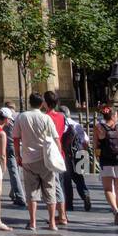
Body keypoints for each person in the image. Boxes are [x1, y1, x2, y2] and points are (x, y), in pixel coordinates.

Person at [13, 92, 63, 232]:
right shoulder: (46, 118)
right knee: (50, 190)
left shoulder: (21, 117)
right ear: (42, 104)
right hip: (46, 159)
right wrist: (57, 157)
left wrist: (18, 155)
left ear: (29, 102)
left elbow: (16, 138)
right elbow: (56, 139)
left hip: (28, 159)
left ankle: (33, 222)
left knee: (31, 192)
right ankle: (52, 223)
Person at [95, 103, 118, 227]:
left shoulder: (98, 128)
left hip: (106, 161)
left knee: (108, 189)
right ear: (114, 115)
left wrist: (98, 157)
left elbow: (96, 146)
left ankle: (115, 210)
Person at [43, 91, 70, 227]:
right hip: (59, 154)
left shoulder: (45, 117)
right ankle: (61, 214)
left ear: (45, 103)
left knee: (56, 187)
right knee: (59, 185)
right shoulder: (61, 116)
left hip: (50, 154)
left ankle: (62, 216)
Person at [59, 104, 91, 211]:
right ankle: (85, 194)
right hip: (80, 153)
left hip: (66, 154)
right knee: (79, 177)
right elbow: (85, 141)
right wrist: (85, 155)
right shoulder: (77, 124)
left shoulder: (61, 125)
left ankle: (69, 204)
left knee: (66, 180)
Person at [1, 103, 26, 207]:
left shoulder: (6, 118)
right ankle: (13, 192)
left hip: (10, 146)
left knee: (13, 171)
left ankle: (20, 197)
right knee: (17, 170)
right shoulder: (20, 116)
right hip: (20, 145)